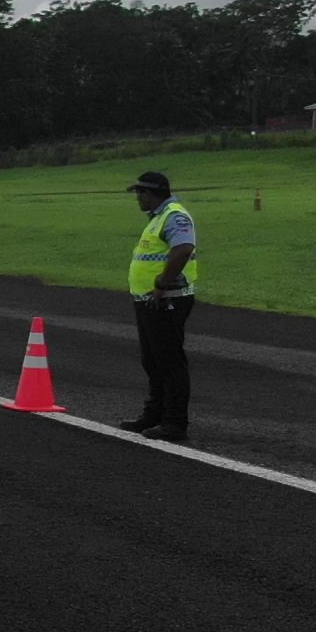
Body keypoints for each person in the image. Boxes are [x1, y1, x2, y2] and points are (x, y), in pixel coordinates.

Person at [121, 171, 199, 442]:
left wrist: (163, 284)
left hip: (167, 299)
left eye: (139, 193)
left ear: (150, 192)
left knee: (169, 362)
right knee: (153, 361)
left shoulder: (174, 216)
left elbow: (183, 248)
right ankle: (154, 415)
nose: (137, 198)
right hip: (151, 300)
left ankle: (175, 422)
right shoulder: (158, 218)